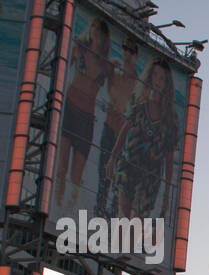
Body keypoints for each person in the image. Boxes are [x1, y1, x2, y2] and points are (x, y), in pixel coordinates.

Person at [105, 57, 180, 221]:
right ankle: (117, 246)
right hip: (128, 165)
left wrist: (167, 194)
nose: (158, 81)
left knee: (136, 224)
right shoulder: (139, 103)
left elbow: (169, 158)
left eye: (162, 78)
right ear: (149, 77)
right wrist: (112, 158)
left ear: (167, 84)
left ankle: (125, 247)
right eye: (155, 76)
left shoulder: (170, 119)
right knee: (123, 218)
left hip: (150, 177)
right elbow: (124, 131)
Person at [54, 16, 112, 211]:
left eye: (100, 32)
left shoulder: (107, 65)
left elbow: (119, 91)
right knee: (61, 169)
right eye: (94, 28)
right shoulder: (79, 48)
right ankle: (56, 203)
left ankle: (66, 211)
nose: (96, 33)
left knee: (76, 177)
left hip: (86, 119)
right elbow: (61, 67)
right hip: (70, 109)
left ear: (105, 38)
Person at [96, 36, 140, 216]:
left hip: (123, 137)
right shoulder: (113, 66)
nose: (126, 53)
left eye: (131, 50)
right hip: (108, 127)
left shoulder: (137, 81)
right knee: (103, 174)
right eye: (124, 48)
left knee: (118, 181)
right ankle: (98, 211)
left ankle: (112, 213)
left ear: (136, 56)